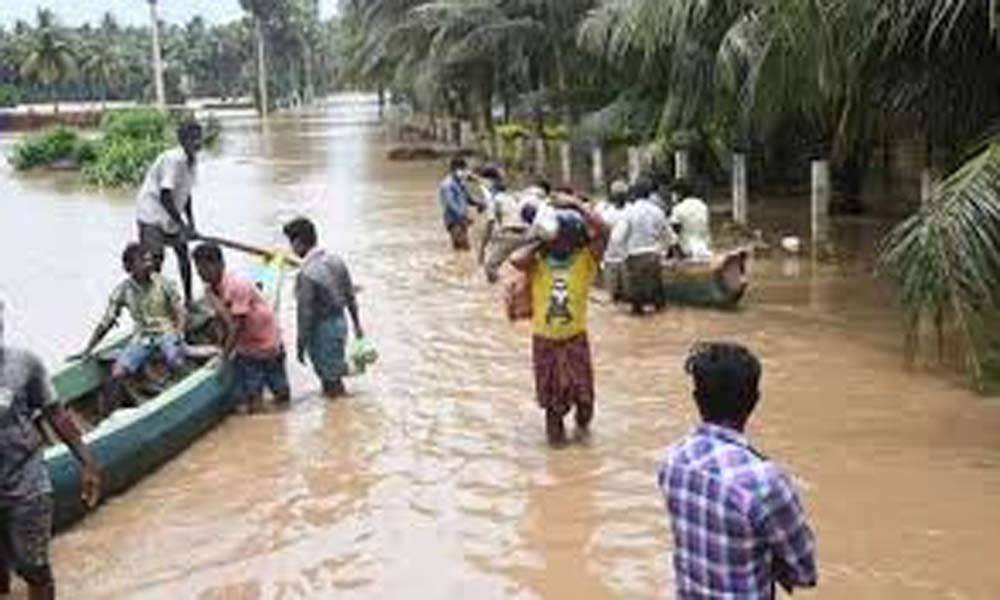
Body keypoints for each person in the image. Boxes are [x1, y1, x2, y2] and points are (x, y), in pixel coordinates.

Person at [659, 342, 818, 599]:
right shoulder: (765, 482)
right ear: (755, 400)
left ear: (696, 398)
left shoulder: (674, 461)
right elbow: (804, 573)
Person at [0, 299, 101, 600]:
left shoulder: (23, 364)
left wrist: (88, 463)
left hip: (25, 482)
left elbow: (55, 413)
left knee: (35, 568)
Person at [511, 196, 607, 447]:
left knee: (585, 401)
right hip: (545, 342)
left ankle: (583, 439)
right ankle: (559, 456)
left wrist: (576, 205)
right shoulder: (538, 263)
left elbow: (604, 231)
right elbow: (516, 260)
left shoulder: (585, 261)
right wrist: (539, 240)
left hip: (575, 339)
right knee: (553, 407)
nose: (561, 244)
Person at [72, 243, 187, 413]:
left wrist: (180, 333)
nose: (149, 265)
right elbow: (107, 322)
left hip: (166, 333)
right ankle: (112, 414)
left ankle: (181, 395)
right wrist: (88, 349)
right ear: (129, 267)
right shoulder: (123, 290)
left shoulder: (163, 283)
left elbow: (180, 311)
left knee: (175, 360)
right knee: (117, 373)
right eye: (143, 261)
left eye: (149, 260)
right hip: (142, 338)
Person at [192, 243, 290, 412]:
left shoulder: (237, 284)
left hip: (267, 343)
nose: (201, 273)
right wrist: (222, 347)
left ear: (219, 264)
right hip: (247, 349)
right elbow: (221, 321)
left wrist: (223, 358)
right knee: (254, 397)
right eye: (198, 268)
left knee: (281, 393)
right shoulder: (210, 289)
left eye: (205, 267)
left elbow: (237, 326)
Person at [283, 217, 364, 398]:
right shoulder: (336, 261)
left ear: (298, 242)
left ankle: (338, 413)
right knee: (333, 374)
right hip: (340, 323)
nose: (292, 249)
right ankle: (338, 406)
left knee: (330, 380)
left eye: (291, 243)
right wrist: (357, 326)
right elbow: (350, 295)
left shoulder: (306, 273)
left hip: (322, 330)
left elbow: (305, 313)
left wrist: (300, 343)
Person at [135, 121, 204, 305]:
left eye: (199, 137)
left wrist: (191, 224)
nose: (198, 142)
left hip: (170, 213)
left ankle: (189, 301)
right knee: (155, 259)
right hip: (152, 212)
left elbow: (185, 194)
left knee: (183, 253)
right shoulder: (174, 159)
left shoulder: (193, 161)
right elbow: (165, 195)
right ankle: (152, 305)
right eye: (193, 138)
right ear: (183, 140)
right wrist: (181, 225)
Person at [621, 178, 674, 314]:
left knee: (636, 300)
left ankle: (639, 315)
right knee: (658, 296)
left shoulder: (629, 212)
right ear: (649, 194)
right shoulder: (657, 211)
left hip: (634, 256)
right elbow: (669, 235)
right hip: (653, 256)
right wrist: (669, 250)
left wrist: (622, 253)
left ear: (634, 194)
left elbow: (618, 237)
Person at [477, 167, 533, 282]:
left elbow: (490, 223)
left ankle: (498, 291)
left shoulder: (493, 199)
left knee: (490, 268)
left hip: (510, 235)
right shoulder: (512, 195)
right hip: (528, 234)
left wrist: (482, 249)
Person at [438, 157, 485, 251]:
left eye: (464, 169)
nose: (464, 172)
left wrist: (479, 203)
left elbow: (468, 198)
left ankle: (457, 264)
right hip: (454, 221)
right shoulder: (447, 185)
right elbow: (450, 204)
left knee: (460, 248)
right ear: (454, 169)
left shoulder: (460, 183)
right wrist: (463, 217)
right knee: (464, 247)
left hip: (462, 221)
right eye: (462, 169)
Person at [596, 180, 630, 302]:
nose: (619, 196)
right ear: (613, 195)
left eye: (622, 193)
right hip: (610, 256)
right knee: (612, 296)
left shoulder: (631, 211)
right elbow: (601, 234)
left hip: (627, 256)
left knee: (628, 296)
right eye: (617, 193)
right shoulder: (606, 213)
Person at [670, 180, 713, 262]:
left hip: (687, 249)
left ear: (679, 193)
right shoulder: (702, 205)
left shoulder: (678, 208)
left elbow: (674, 232)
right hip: (704, 246)